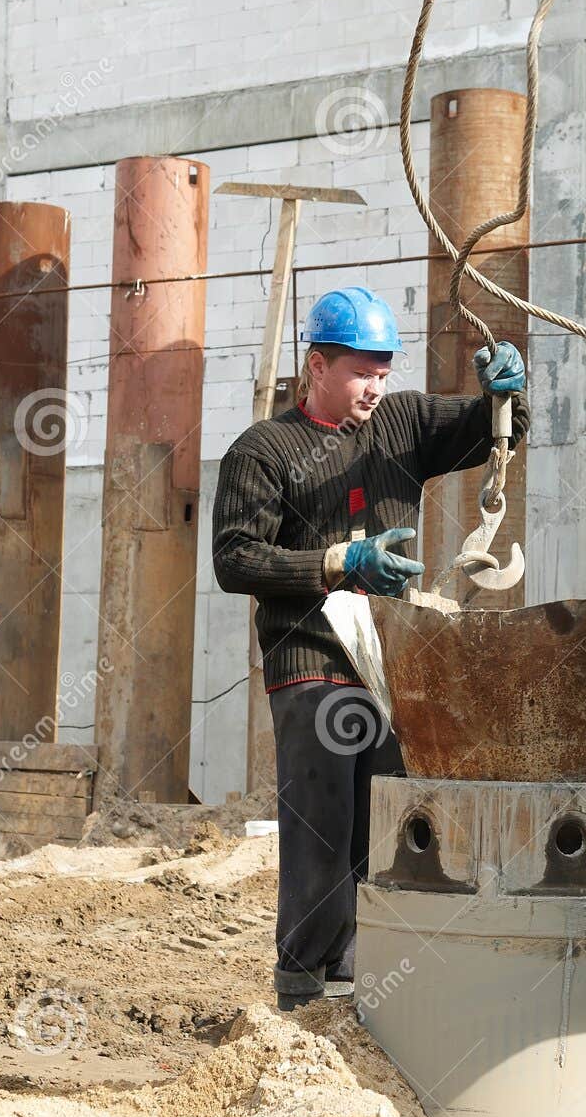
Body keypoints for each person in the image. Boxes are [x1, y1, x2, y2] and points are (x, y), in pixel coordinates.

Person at [213, 286, 529, 1011]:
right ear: (316, 366)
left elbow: (496, 431)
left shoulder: (403, 423)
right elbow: (235, 560)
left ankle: (358, 973)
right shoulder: (263, 452)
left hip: (389, 659)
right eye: (361, 372)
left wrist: (507, 393)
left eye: (384, 371)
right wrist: (337, 564)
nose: (375, 387)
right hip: (311, 659)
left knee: (386, 822)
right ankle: (301, 978)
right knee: (322, 819)